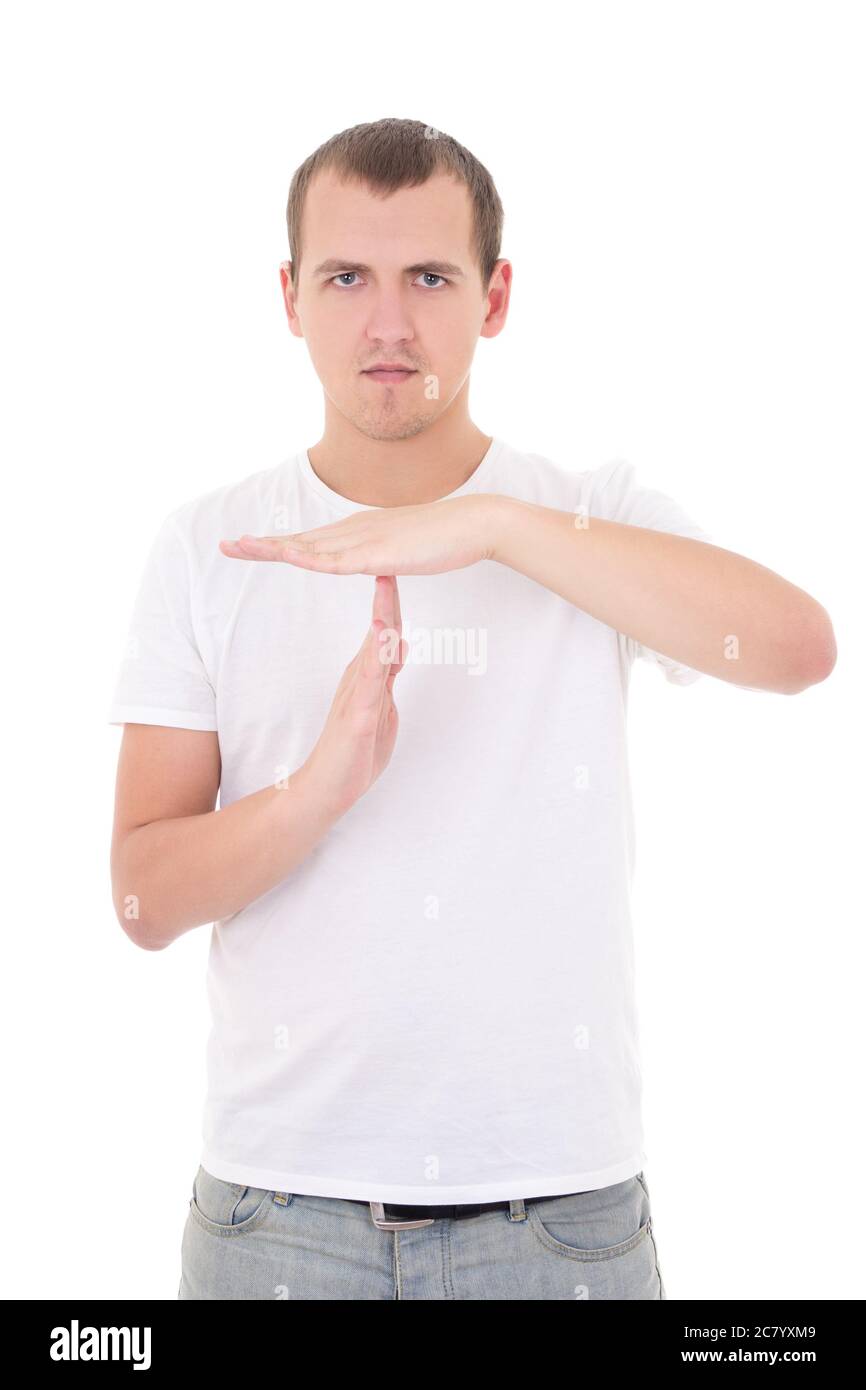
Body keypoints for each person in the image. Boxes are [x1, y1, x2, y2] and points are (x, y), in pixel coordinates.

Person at [107, 117, 836, 1301]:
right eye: (346, 277)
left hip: (558, 1226)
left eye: (428, 278)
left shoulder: (587, 512)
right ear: (289, 298)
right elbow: (142, 897)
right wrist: (316, 794)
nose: (387, 324)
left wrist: (490, 522)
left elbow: (798, 649)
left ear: (493, 299)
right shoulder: (208, 545)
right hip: (277, 1219)